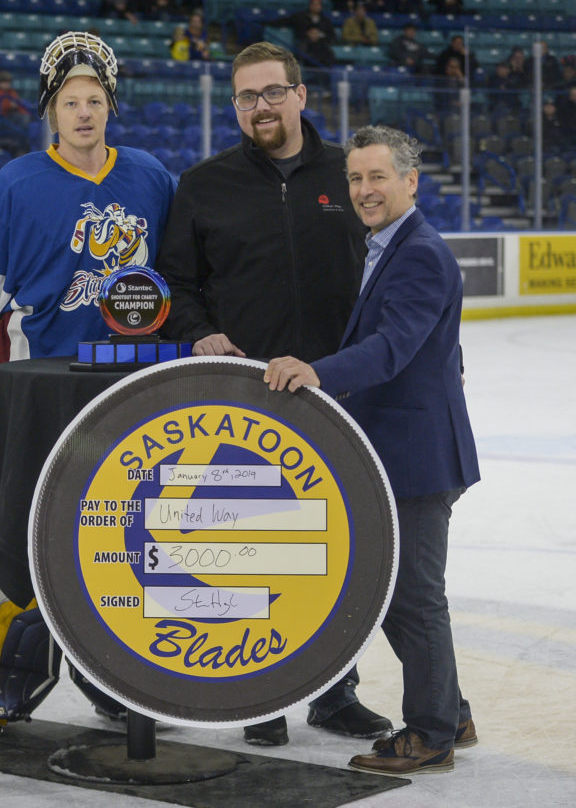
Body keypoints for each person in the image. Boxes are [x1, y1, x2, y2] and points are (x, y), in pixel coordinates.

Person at [0, 31, 176, 726]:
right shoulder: (16, 186)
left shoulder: (151, 179)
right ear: (50, 111)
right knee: (8, 537)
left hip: (129, 399)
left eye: (94, 100)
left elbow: (182, 282)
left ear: (111, 106)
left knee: (123, 544)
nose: (83, 113)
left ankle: (118, 680)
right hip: (32, 401)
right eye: (69, 101)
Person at [153, 41, 391, 747]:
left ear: (300, 94)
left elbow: (394, 271)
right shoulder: (204, 184)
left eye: (273, 92)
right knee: (250, 546)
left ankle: (335, 692)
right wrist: (199, 331)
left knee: (338, 545)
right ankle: (260, 695)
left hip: (340, 390)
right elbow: (176, 284)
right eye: (247, 97)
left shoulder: (348, 173)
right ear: (235, 106)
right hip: (247, 400)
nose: (261, 107)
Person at [264, 124, 479, 776]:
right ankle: (451, 711)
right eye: (355, 178)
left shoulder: (420, 253)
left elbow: (392, 348)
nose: (364, 189)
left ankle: (432, 734)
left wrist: (317, 372)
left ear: (410, 181)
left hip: (417, 454)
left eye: (378, 176)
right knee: (396, 593)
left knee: (412, 596)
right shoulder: (387, 246)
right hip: (399, 448)